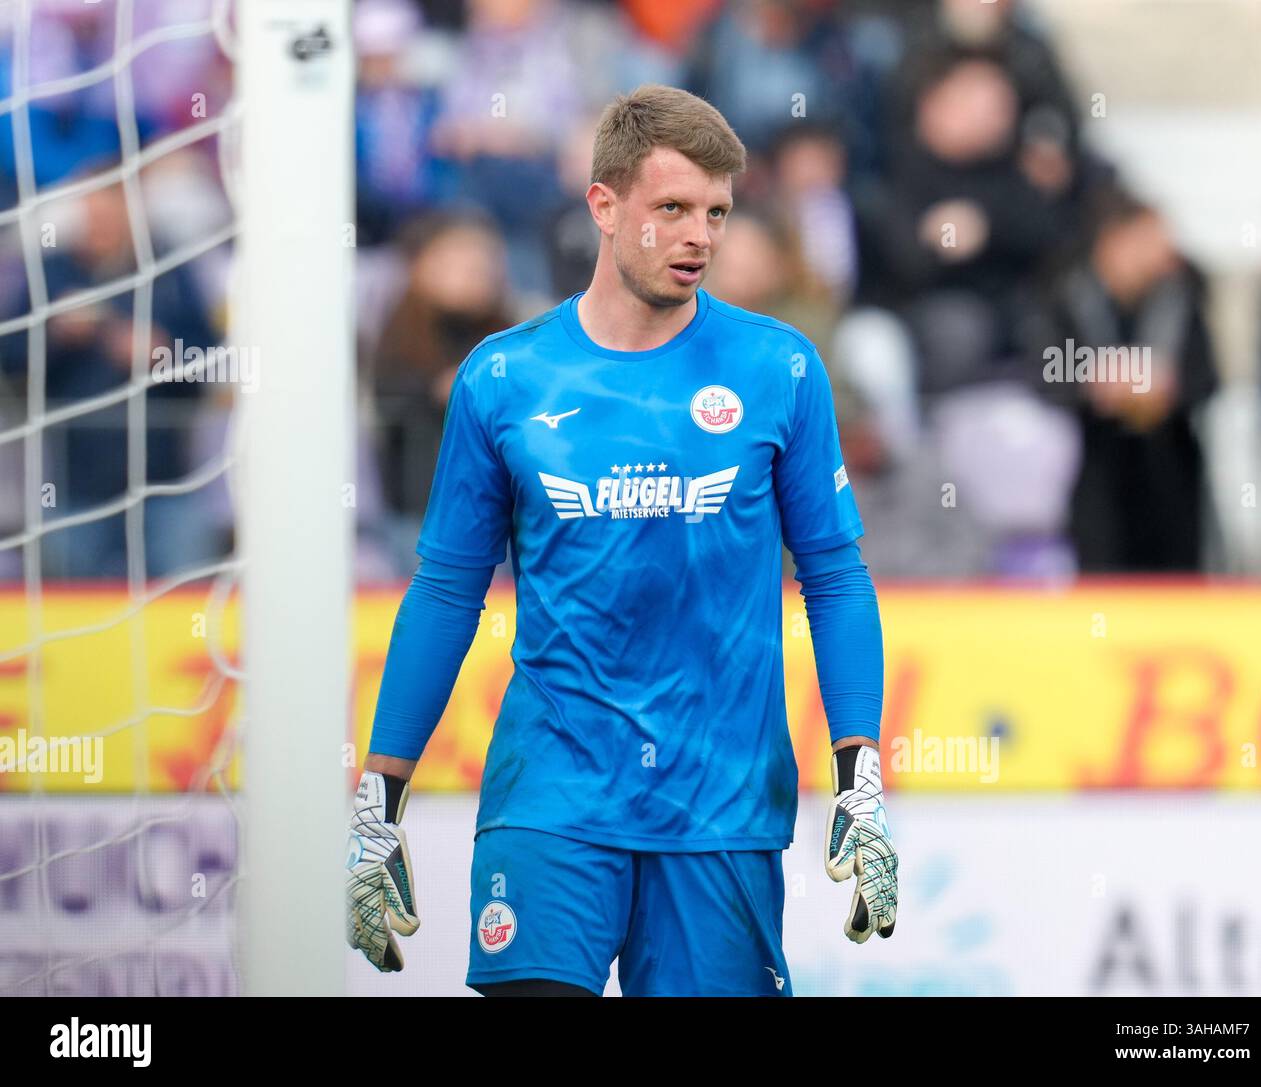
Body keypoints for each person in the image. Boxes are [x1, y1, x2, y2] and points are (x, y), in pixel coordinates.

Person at [345, 84, 897, 997]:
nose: (700, 237)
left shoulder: (781, 366)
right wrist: (378, 801)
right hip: (551, 794)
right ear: (603, 205)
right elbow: (445, 591)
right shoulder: (504, 377)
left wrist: (860, 779)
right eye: (672, 208)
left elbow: (835, 577)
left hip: (720, 807)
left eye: (716, 213)